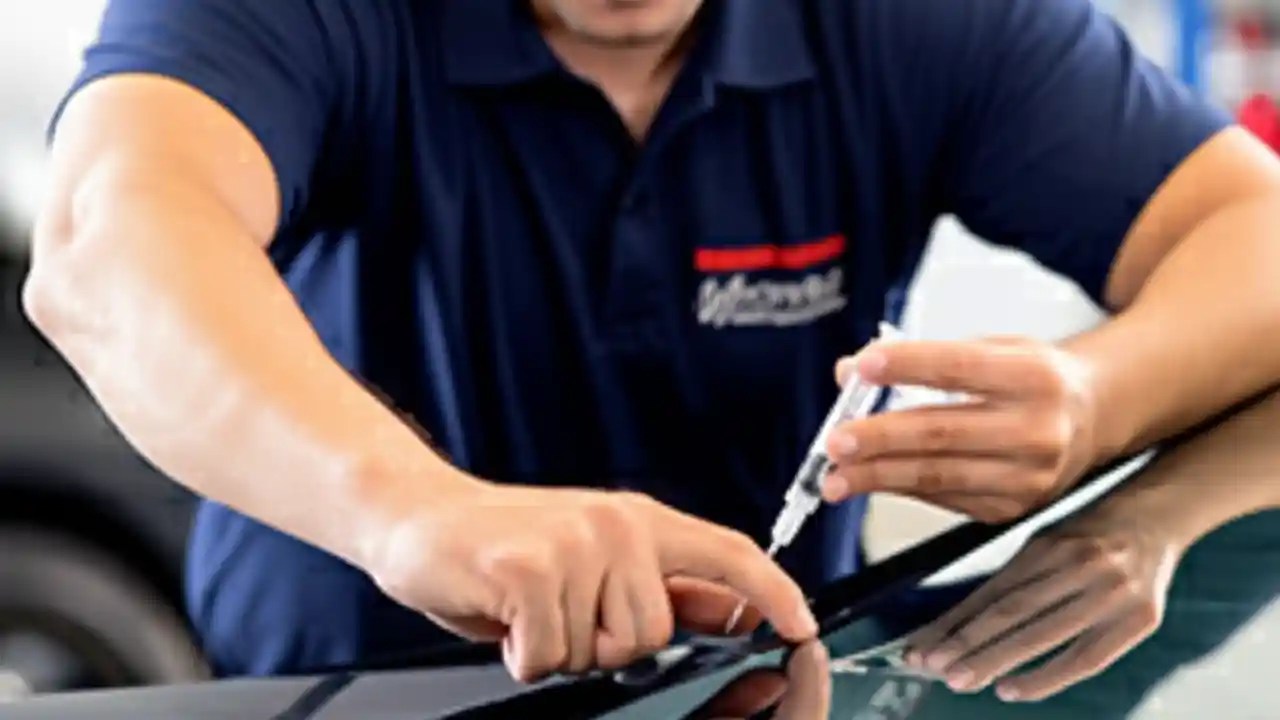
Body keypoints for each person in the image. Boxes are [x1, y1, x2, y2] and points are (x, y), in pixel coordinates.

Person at [24, 0, 1280, 686]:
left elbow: (1252, 233)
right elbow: (104, 242)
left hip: (756, 689)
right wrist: (416, 513)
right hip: (346, 683)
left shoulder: (915, 25)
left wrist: (1096, 400)